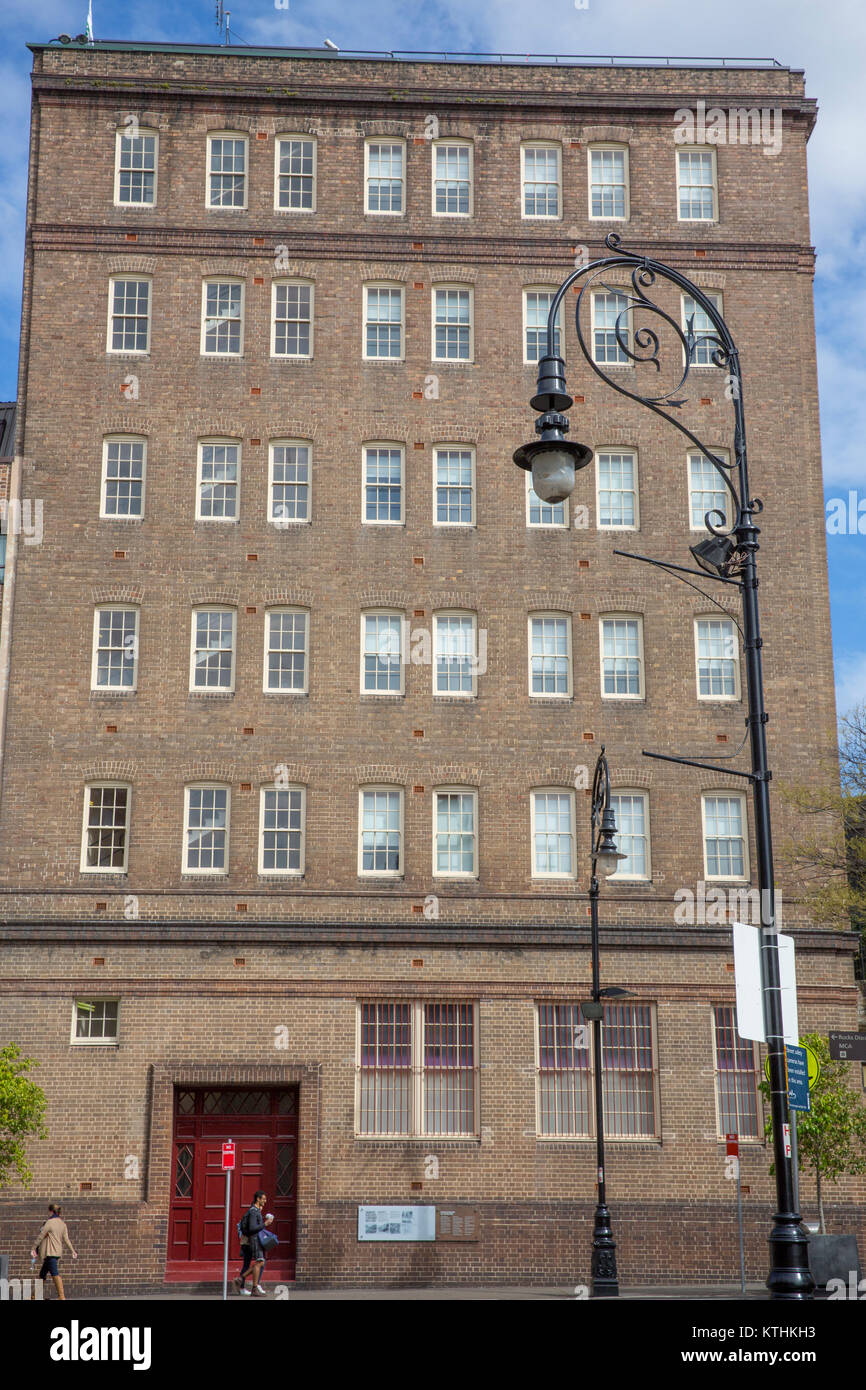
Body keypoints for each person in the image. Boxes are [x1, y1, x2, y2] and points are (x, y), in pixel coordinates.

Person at [30, 1202, 77, 1300]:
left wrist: (33, 1247)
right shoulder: (62, 1223)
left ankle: (61, 1296)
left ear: (51, 1211)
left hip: (50, 1252)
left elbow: (41, 1236)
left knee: (55, 1273)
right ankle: (34, 1296)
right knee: (42, 1274)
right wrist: (72, 1250)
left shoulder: (49, 1222)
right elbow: (66, 1239)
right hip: (56, 1252)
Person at [234, 1191, 268, 1296]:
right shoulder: (254, 1212)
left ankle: (246, 1284)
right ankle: (248, 1284)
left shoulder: (254, 1211)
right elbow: (253, 1228)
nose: (265, 1201)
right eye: (263, 1199)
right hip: (251, 1241)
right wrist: (265, 1223)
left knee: (256, 1263)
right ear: (258, 1199)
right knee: (259, 1262)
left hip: (249, 1241)